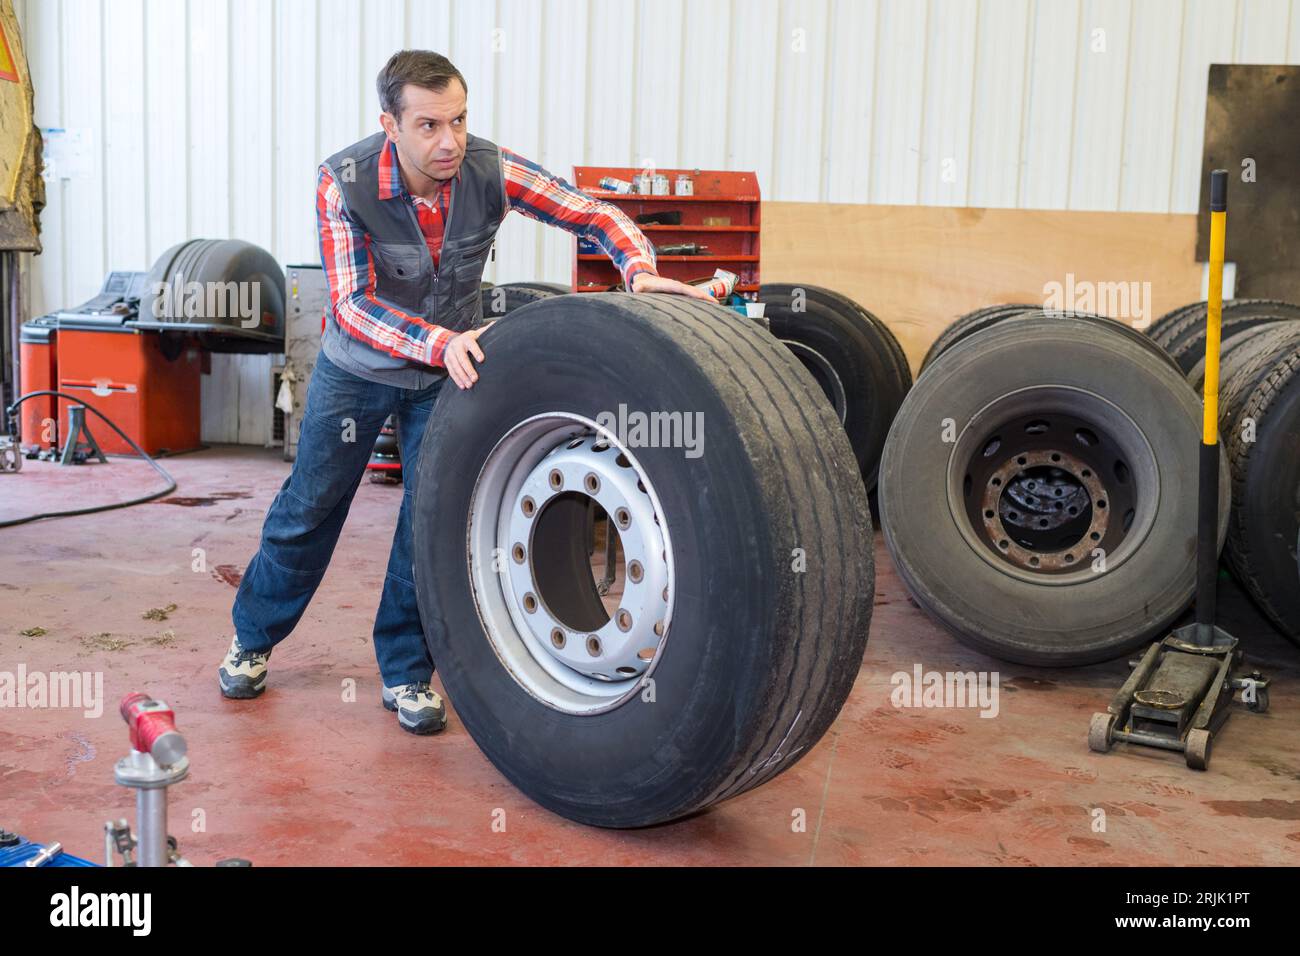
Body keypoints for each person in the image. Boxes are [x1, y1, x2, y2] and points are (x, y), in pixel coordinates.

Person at [217, 50, 711, 734]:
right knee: (310, 505)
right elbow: (353, 304)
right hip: (357, 369)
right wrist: (437, 340)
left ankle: (406, 670)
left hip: (446, 373)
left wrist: (638, 267)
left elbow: (590, 213)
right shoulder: (344, 181)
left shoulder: (488, 166)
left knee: (430, 521)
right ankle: (252, 637)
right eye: (427, 125)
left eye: (459, 119)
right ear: (389, 123)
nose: (449, 141)